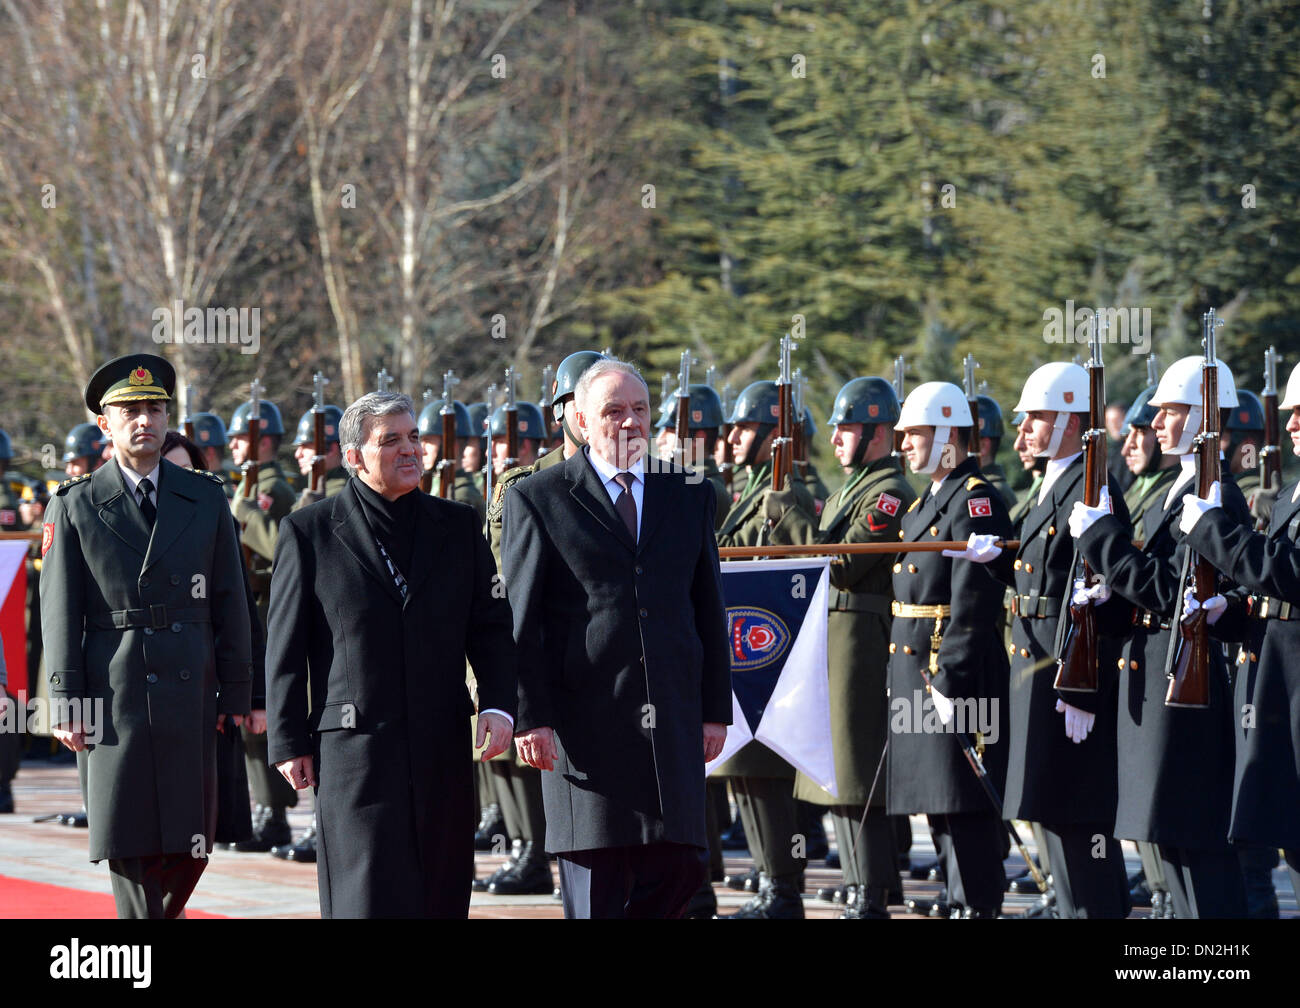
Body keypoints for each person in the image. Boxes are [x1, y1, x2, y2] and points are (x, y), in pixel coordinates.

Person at [265, 391, 517, 918]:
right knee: (366, 897)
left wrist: (497, 703)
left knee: (440, 893)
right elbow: (285, 648)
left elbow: (490, 627)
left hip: (441, 746)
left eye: (414, 437)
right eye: (391, 440)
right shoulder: (308, 531)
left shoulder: (458, 525)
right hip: (354, 752)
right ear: (353, 456)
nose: (410, 451)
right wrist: (288, 741)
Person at [501, 358, 731, 919]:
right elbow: (522, 620)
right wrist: (530, 717)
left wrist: (713, 709)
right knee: (596, 887)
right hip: (587, 728)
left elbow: (707, 606)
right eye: (613, 412)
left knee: (683, 865)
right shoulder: (539, 497)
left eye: (639, 410)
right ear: (579, 419)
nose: (630, 423)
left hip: (670, 724)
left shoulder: (688, 494)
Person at [40, 353, 252, 918]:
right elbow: (59, 611)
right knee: (129, 841)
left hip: (191, 686)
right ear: (104, 423)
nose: (145, 420)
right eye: (130, 410)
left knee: (193, 842)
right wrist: (64, 702)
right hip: (115, 692)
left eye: (155, 408)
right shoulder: (76, 503)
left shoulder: (204, 495)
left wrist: (239, 695)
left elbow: (232, 602)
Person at [1069, 355, 1250, 918]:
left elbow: (1168, 589)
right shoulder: (1178, 489)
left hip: (1186, 685)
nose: (1158, 420)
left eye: (1172, 411)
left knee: (1197, 848)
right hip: (1154, 675)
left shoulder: (1214, 497)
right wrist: (1106, 597)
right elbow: (1151, 591)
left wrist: (1103, 541)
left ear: (1203, 418)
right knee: (1169, 842)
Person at [968, 364, 1132, 918]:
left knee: (1078, 819)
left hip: (1066, 679)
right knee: (1053, 814)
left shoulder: (1091, 487)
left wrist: (1081, 690)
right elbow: (1047, 581)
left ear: (1067, 420)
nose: (1021, 434)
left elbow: (1101, 598)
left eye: (1034, 419)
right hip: (1040, 669)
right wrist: (1000, 567)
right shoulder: (1055, 486)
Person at [1179, 357, 1300, 913]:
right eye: (1291, 414)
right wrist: (1226, 611)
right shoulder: (1294, 495)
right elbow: (1271, 597)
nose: (1293, 424)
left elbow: (1289, 573)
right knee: (1271, 851)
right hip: (1274, 695)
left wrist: (1211, 532)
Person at [888, 381, 1012, 919]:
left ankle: (976, 903)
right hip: (916, 668)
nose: (904, 445)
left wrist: (952, 678)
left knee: (963, 799)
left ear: (946, 435)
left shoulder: (974, 499)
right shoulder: (927, 501)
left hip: (951, 671)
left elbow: (975, 602)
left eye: (913, 433)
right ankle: (956, 896)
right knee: (937, 798)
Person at [794, 377, 916, 920]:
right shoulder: (856, 487)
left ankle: (872, 890)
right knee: (837, 769)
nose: (837, 437)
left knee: (855, 770)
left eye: (847, 426)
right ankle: (866, 883)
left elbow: (844, 565)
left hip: (861, 638)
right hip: (836, 636)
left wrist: (792, 518)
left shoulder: (888, 492)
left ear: (877, 431)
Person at [712, 379, 818, 918]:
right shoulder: (750, 486)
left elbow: (805, 553)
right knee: (745, 774)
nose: (733, 436)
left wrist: (782, 504)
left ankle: (783, 888)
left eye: (746, 427)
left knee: (764, 773)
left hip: (771, 654)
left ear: (775, 434)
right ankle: (771, 883)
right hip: (744, 648)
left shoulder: (787, 489)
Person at [227, 396, 297, 853]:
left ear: (263, 441)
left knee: (264, 717)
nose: (234, 446)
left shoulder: (277, 491)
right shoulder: (248, 486)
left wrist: (250, 514)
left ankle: (275, 814)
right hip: (252, 612)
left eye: (240, 438)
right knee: (250, 721)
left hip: (269, 612)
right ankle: (264, 811)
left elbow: (280, 548)